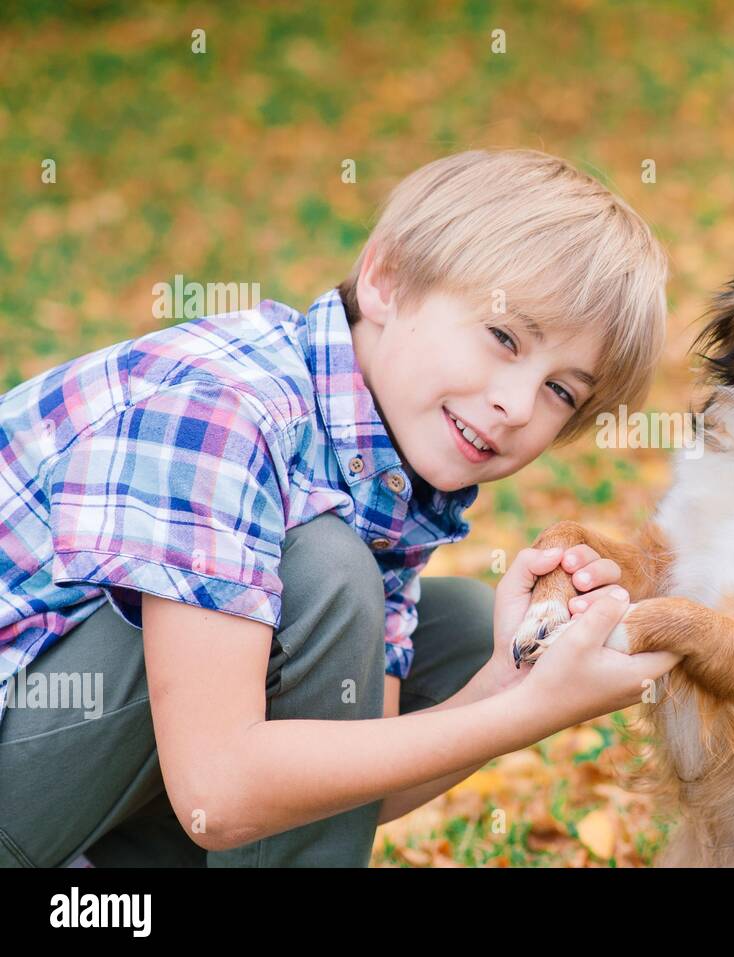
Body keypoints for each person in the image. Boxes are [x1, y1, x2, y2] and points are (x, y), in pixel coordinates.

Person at [0, 148, 680, 867]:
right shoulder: (225, 411)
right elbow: (220, 790)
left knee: (469, 634)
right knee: (323, 566)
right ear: (386, 280)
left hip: (74, 784)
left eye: (561, 391)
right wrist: (523, 713)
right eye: (504, 337)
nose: (516, 404)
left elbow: (345, 798)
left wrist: (507, 689)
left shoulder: (388, 468)